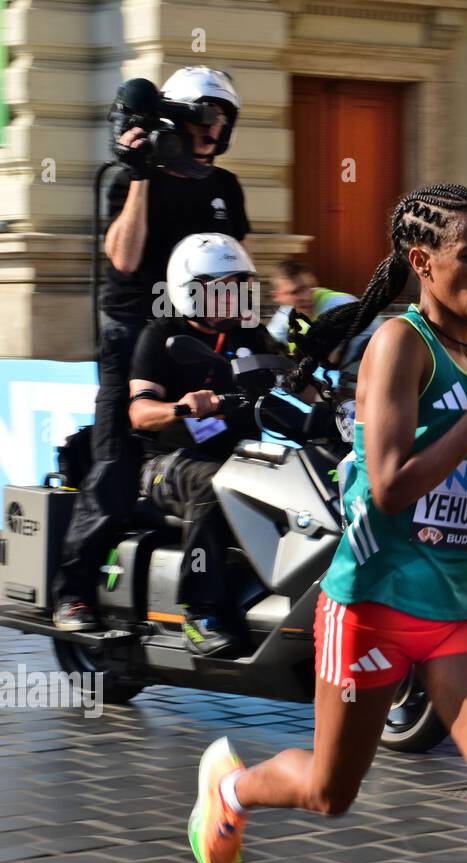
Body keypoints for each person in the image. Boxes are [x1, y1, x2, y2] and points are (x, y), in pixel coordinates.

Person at [187, 183, 467, 863]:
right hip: (373, 602)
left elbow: (448, 437)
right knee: (331, 791)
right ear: (422, 262)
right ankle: (232, 789)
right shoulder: (397, 343)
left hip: (459, 603)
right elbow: (390, 486)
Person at [53, 66, 250, 632]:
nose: (215, 127)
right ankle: (75, 593)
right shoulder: (131, 177)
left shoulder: (224, 188)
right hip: (132, 333)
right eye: (207, 115)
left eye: (224, 117)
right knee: (118, 464)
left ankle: (214, 582)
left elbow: (238, 270)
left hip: (198, 336)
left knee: (235, 448)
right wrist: (140, 174)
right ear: (182, 118)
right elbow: (125, 259)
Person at [128, 233, 277, 656]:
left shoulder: (251, 332)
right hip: (166, 464)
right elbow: (140, 413)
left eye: (239, 286)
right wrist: (182, 408)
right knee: (214, 485)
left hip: (241, 457)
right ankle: (199, 613)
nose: (233, 297)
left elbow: (287, 381)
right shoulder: (160, 335)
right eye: (222, 288)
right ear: (190, 291)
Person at [265, 260, 367, 365]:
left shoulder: (340, 305)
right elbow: (265, 346)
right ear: (277, 296)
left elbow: (331, 360)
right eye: (295, 292)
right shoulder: (286, 313)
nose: (305, 296)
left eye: (306, 288)